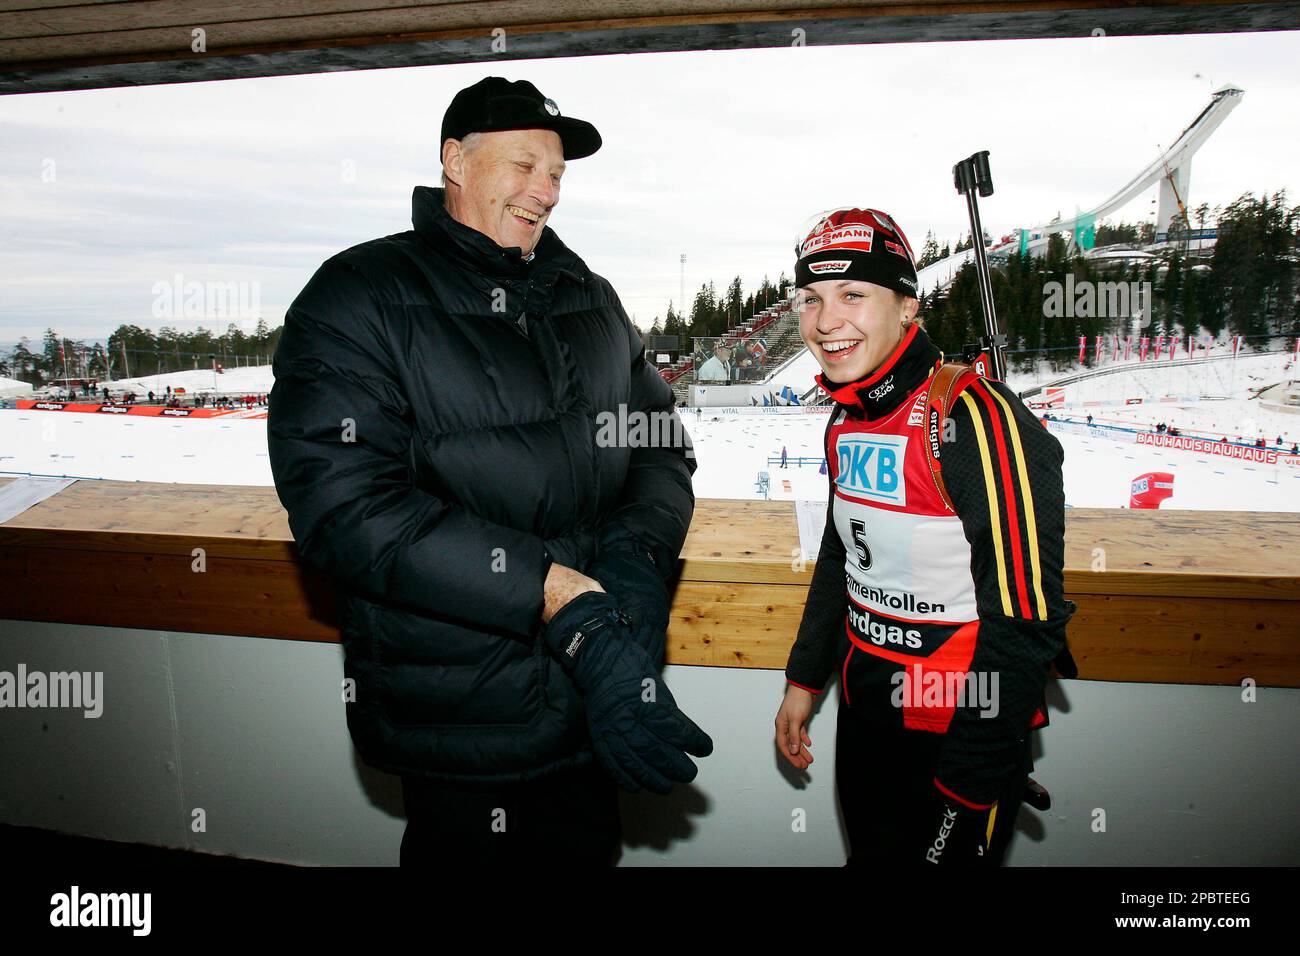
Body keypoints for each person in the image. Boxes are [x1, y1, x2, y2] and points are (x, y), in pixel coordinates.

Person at [267, 76, 711, 868]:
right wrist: (559, 594)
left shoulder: (587, 297)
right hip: (466, 713)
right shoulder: (362, 296)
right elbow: (346, 509)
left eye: (557, 174)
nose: (545, 189)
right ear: (454, 162)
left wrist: (633, 574)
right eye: (523, 165)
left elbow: (657, 443)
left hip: (593, 691)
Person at [772, 207, 1075, 867]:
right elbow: (840, 558)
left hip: (958, 732)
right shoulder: (848, 414)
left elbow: (1027, 622)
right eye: (811, 299)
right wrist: (804, 680)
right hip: (867, 715)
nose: (826, 322)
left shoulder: (974, 421)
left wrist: (968, 789)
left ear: (908, 306)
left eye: (854, 295)